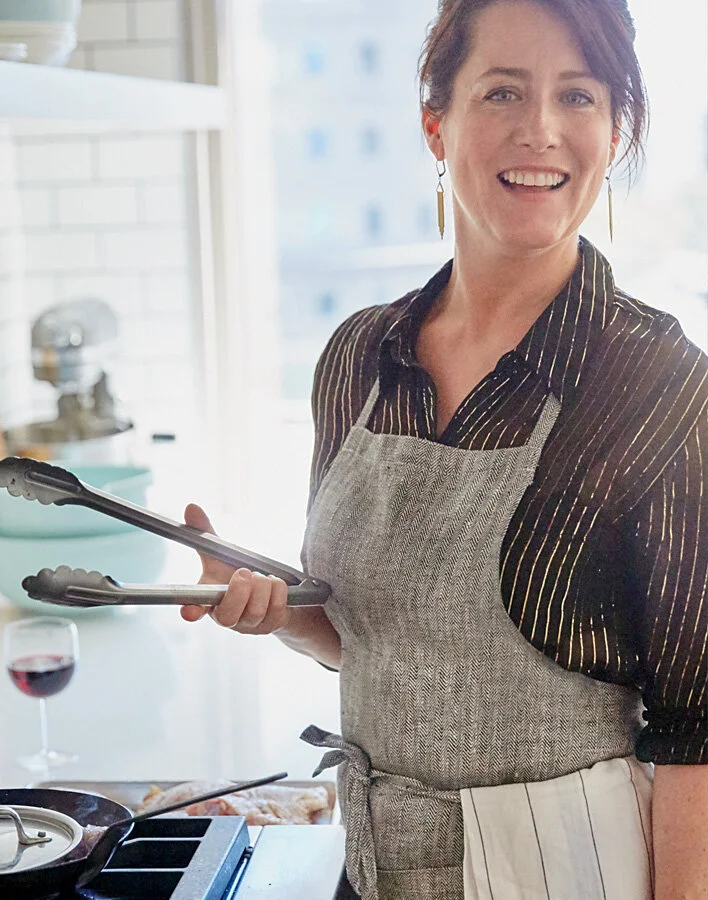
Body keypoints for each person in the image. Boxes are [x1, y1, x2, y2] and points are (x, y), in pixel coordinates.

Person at [181, 0, 708, 897]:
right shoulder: (360, 357)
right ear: (437, 122)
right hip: (373, 868)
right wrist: (272, 607)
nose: (541, 130)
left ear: (614, 132)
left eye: (578, 97)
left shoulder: (658, 385)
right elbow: (378, 640)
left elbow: (698, 735)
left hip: (568, 876)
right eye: (503, 91)